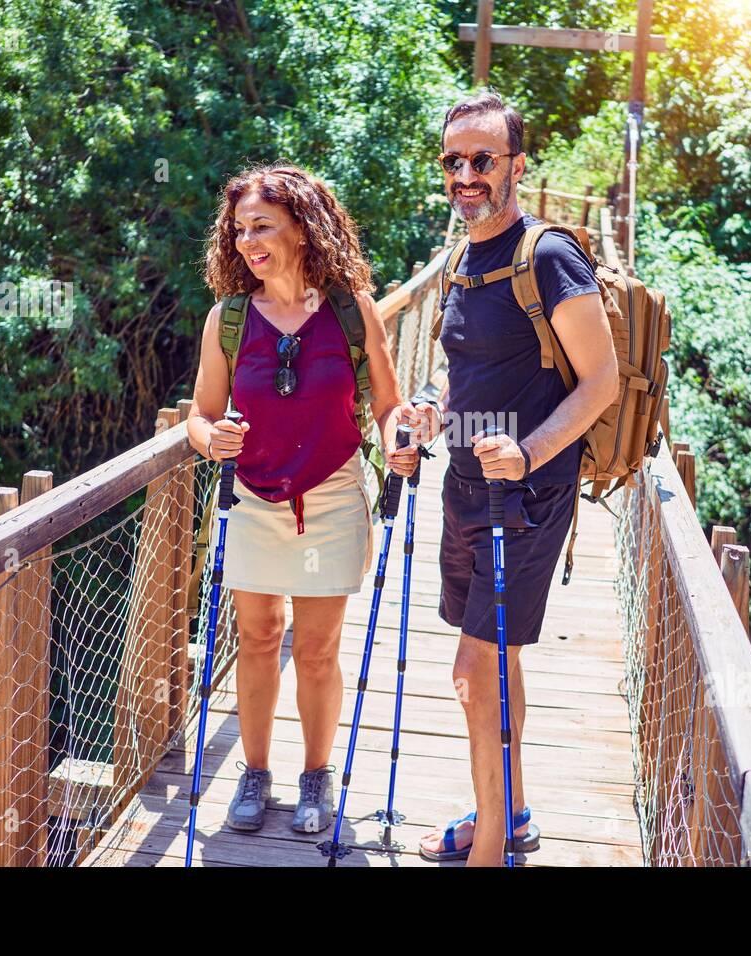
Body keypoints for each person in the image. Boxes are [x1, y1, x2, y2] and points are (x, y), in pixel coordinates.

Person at [408, 93, 619, 866]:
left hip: (527, 497)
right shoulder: (464, 257)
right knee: (498, 662)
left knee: (474, 670)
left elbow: (602, 383)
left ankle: (490, 847)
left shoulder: (549, 256)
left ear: (516, 166)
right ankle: (512, 811)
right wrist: (430, 410)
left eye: (482, 160)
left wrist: (529, 452)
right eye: (453, 161)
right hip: (465, 488)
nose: (465, 175)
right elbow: (460, 371)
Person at [187, 163, 418, 836]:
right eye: (238, 232)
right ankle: (254, 775)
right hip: (253, 500)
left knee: (316, 650)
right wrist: (213, 440)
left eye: (263, 227)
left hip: (333, 494)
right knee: (256, 640)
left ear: (302, 227)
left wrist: (399, 439)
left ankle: (316, 776)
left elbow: (388, 403)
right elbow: (201, 416)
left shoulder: (351, 310)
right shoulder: (227, 319)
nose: (248, 243)